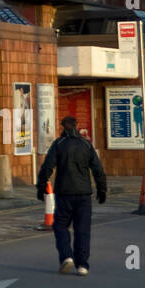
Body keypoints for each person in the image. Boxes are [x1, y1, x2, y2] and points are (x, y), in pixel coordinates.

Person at [37, 115, 107, 276]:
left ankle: (67, 256)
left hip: (65, 193)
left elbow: (47, 166)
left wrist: (41, 186)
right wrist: (102, 189)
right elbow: (98, 169)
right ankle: (82, 265)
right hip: (84, 194)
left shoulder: (59, 144)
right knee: (83, 230)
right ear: (76, 126)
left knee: (60, 226)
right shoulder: (86, 145)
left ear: (63, 127)